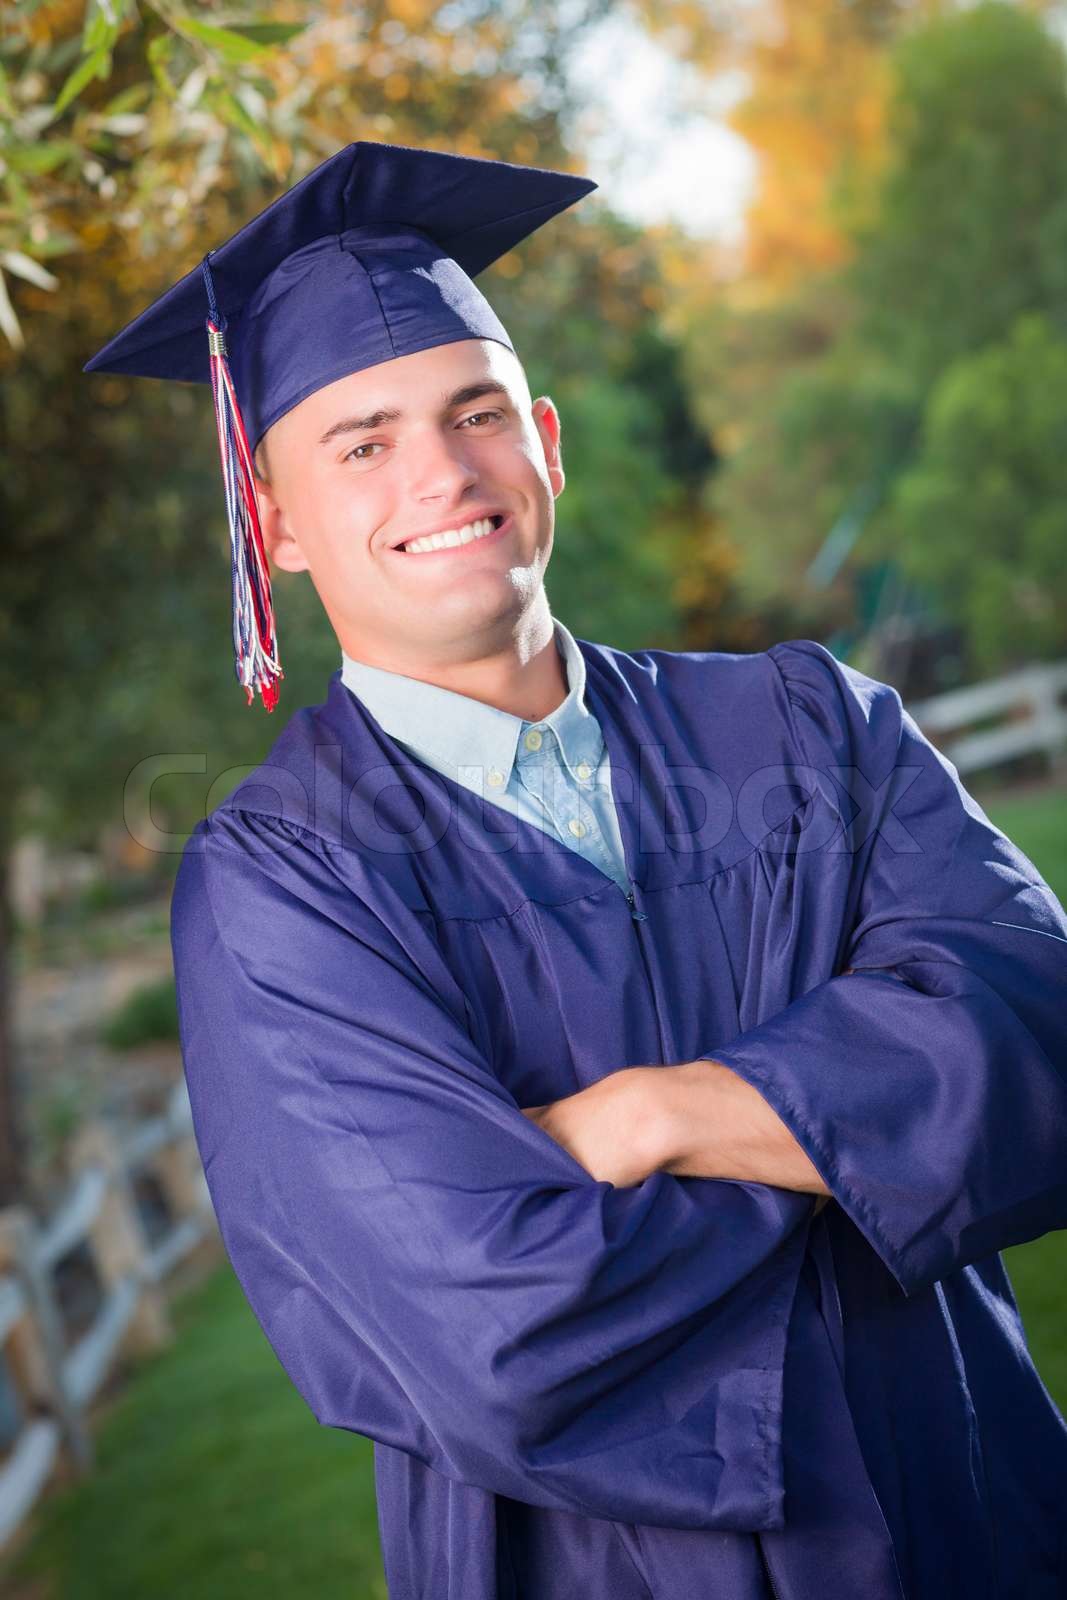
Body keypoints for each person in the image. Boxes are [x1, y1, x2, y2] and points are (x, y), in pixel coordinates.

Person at [84, 140, 1067, 1600]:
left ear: (544, 438)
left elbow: (1037, 1034)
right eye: (360, 442)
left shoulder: (811, 724)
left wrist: (644, 1120)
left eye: (474, 411)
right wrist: (877, 1143)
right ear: (274, 524)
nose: (441, 472)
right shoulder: (279, 886)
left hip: (975, 1512)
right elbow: (492, 1324)